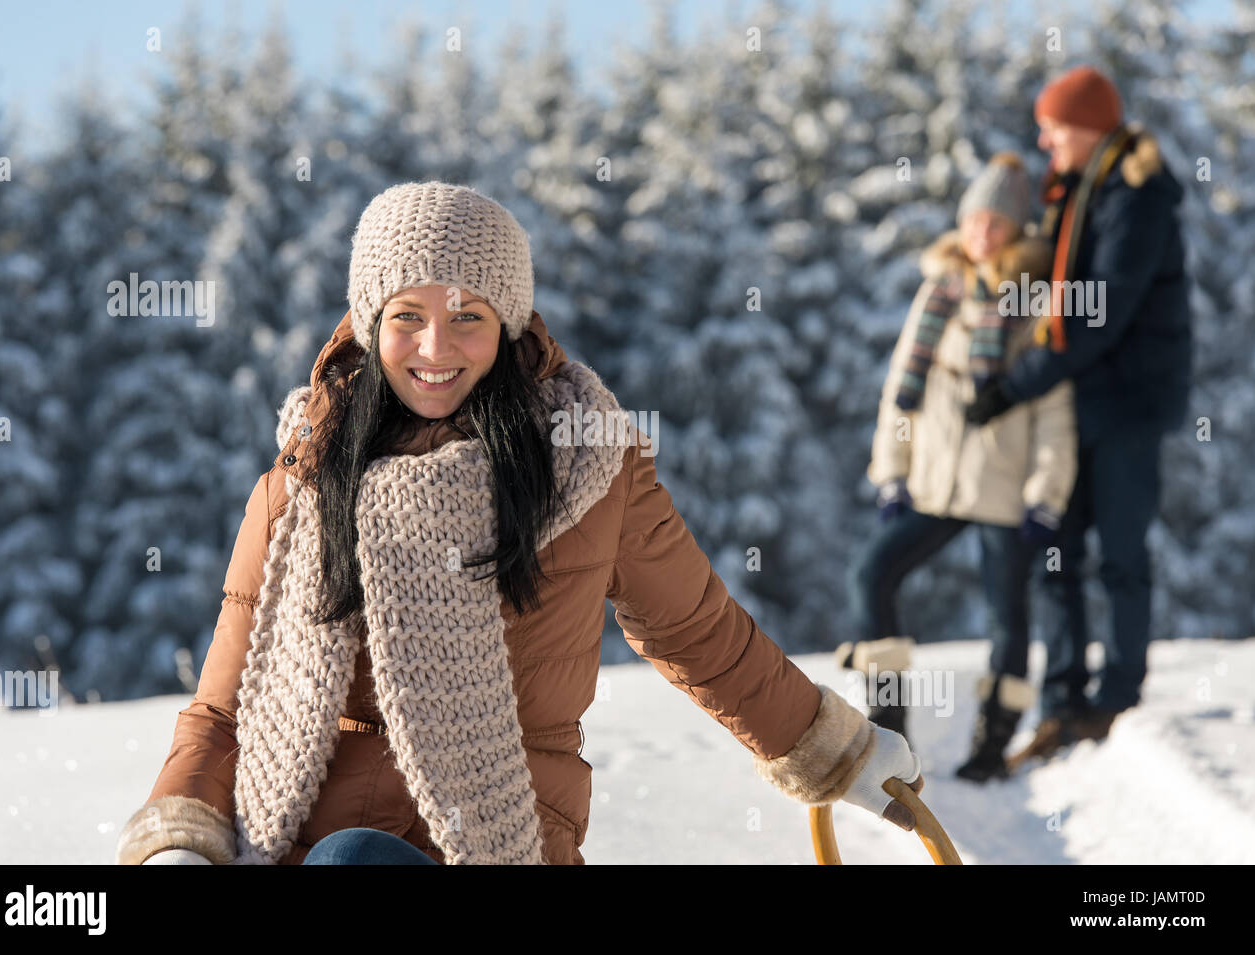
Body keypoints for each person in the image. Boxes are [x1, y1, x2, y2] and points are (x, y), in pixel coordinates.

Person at [117, 181, 923, 866]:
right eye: (408, 315)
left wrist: (834, 751)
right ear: (370, 323)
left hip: (501, 835)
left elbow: (697, 629)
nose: (437, 346)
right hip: (300, 836)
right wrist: (178, 839)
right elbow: (224, 711)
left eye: (467, 315)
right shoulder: (302, 482)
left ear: (506, 323)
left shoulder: (587, 465)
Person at [964, 67, 1192, 764]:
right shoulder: (1072, 193)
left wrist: (1015, 384)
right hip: (1074, 405)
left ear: (1089, 126)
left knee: (1120, 553)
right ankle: (1062, 701)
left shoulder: (1138, 196)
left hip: (1127, 404)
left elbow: (1099, 311)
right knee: (1055, 554)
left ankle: (1117, 697)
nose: (1044, 138)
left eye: (1054, 126)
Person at [842, 153, 1077, 783]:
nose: (982, 234)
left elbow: (1055, 412)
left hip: (1005, 491)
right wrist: (890, 471)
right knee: (872, 574)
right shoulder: (939, 289)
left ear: (1017, 231)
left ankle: (990, 746)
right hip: (933, 486)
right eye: (975, 220)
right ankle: (890, 734)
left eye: (997, 224)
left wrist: (1045, 496)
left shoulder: (1035, 302)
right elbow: (901, 387)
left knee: (1008, 616)